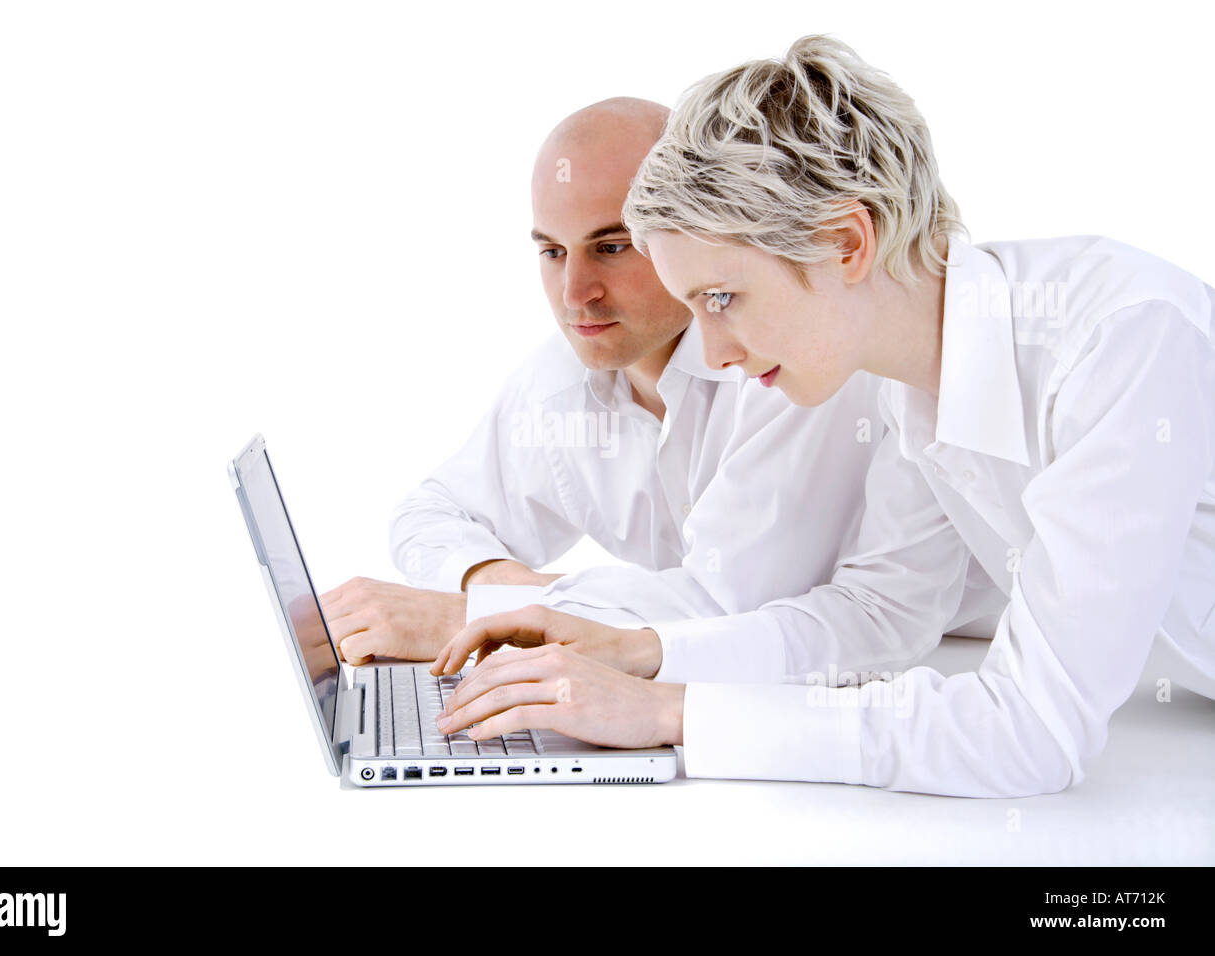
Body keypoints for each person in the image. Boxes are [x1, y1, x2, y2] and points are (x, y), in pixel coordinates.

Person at [431, 36, 1215, 798]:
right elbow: (877, 613)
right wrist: (642, 653)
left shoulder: (1123, 340)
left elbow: (1033, 734)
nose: (715, 351)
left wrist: (672, 716)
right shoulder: (910, 375)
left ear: (846, 242)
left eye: (723, 299)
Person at [318, 96, 906, 668]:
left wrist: (477, 618)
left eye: (612, 246)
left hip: (946, 667)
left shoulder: (783, 358)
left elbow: (735, 606)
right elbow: (432, 511)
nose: (576, 294)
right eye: (552, 252)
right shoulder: (566, 377)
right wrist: (495, 590)